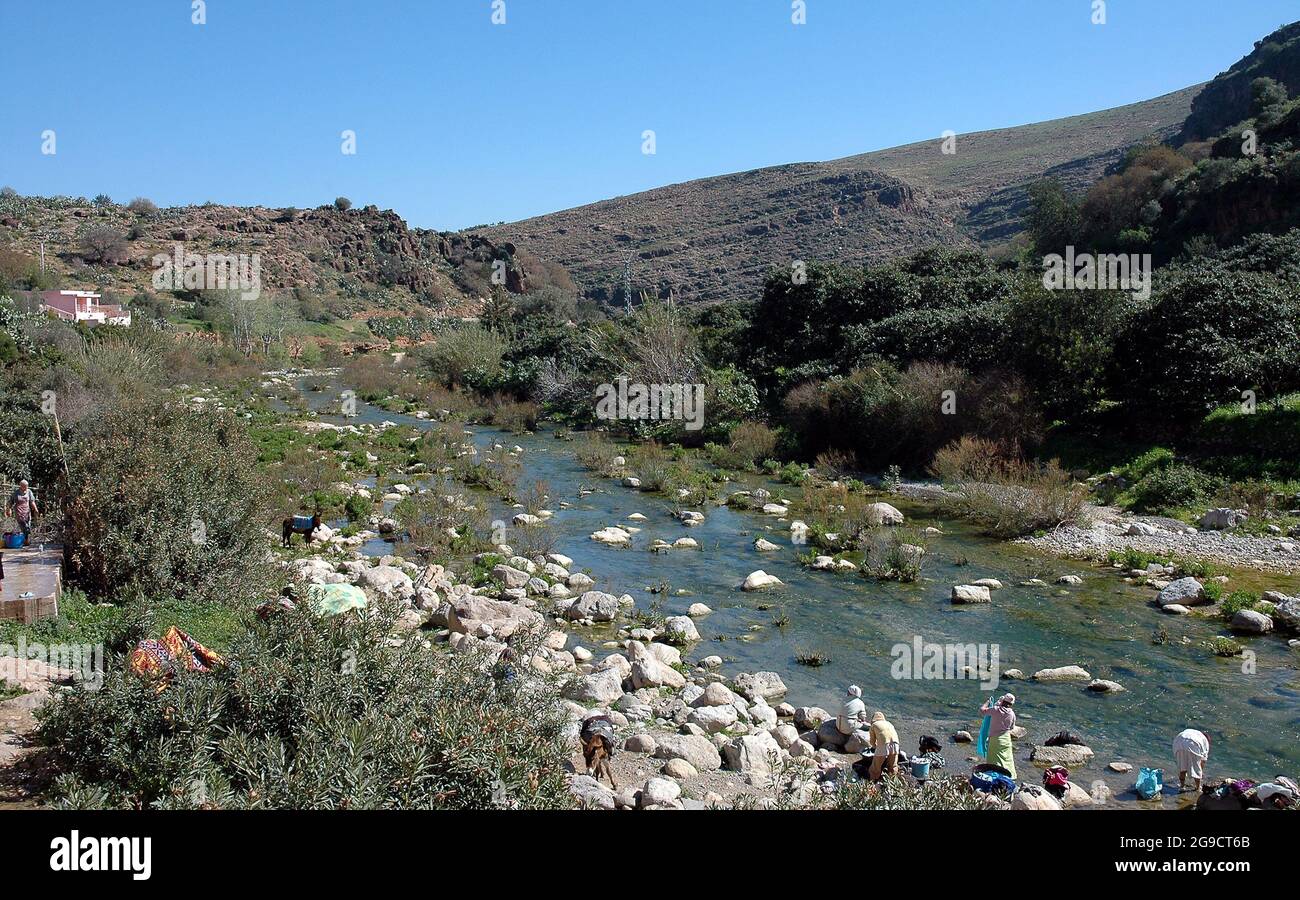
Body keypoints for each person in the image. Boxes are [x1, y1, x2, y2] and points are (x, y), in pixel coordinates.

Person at [980, 693, 1017, 779]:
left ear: (1003, 701)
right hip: (1006, 739)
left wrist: (987, 702)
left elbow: (982, 710)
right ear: (1011, 704)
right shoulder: (1012, 714)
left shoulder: (995, 710)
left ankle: (995, 777)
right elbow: (1012, 727)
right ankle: (1009, 777)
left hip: (995, 739)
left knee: (994, 760)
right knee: (1007, 759)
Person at [1173, 728, 1210, 793]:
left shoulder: (1196, 733)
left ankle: (1182, 786)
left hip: (1178, 741)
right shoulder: (1205, 741)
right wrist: (1200, 772)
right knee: (1196, 768)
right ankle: (1198, 788)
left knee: (1182, 766)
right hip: (1193, 743)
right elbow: (1202, 761)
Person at [867, 711, 900, 780]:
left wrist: (874, 747)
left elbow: (872, 741)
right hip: (896, 744)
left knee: (875, 768)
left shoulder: (874, 725)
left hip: (884, 745)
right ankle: (892, 782)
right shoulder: (889, 723)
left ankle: (873, 782)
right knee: (893, 766)